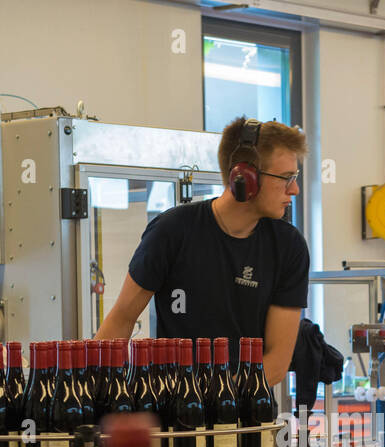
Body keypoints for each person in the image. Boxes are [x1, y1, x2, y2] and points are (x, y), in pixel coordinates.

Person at [95, 116, 309, 390]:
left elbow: (277, 362)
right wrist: (96, 394)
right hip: (174, 414)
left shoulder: (289, 248)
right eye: (286, 178)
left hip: (246, 416)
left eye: (296, 177)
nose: (295, 189)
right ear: (244, 178)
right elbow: (121, 320)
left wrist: (215, 399)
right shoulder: (172, 231)